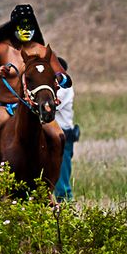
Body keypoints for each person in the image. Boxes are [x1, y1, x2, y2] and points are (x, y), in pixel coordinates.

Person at [0, 4, 70, 177]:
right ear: (13, 26)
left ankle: (48, 189)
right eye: (22, 25)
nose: (26, 29)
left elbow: (64, 76)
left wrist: (58, 78)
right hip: (5, 108)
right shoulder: (0, 49)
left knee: (58, 137)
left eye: (29, 25)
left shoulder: (42, 51)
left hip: (35, 110)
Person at [54, 57, 78, 202]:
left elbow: (50, 105)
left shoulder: (64, 88)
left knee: (62, 180)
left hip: (62, 135)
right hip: (54, 135)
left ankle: (65, 208)